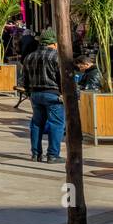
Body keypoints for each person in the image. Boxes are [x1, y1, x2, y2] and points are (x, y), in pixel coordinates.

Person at [22, 27, 65, 163]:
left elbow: (25, 78)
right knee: (56, 124)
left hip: (35, 94)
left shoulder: (29, 57)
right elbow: (62, 79)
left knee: (36, 123)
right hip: (53, 94)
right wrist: (65, 94)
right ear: (53, 43)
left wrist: (29, 92)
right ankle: (52, 155)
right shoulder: (57, 57)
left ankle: (36, 154)